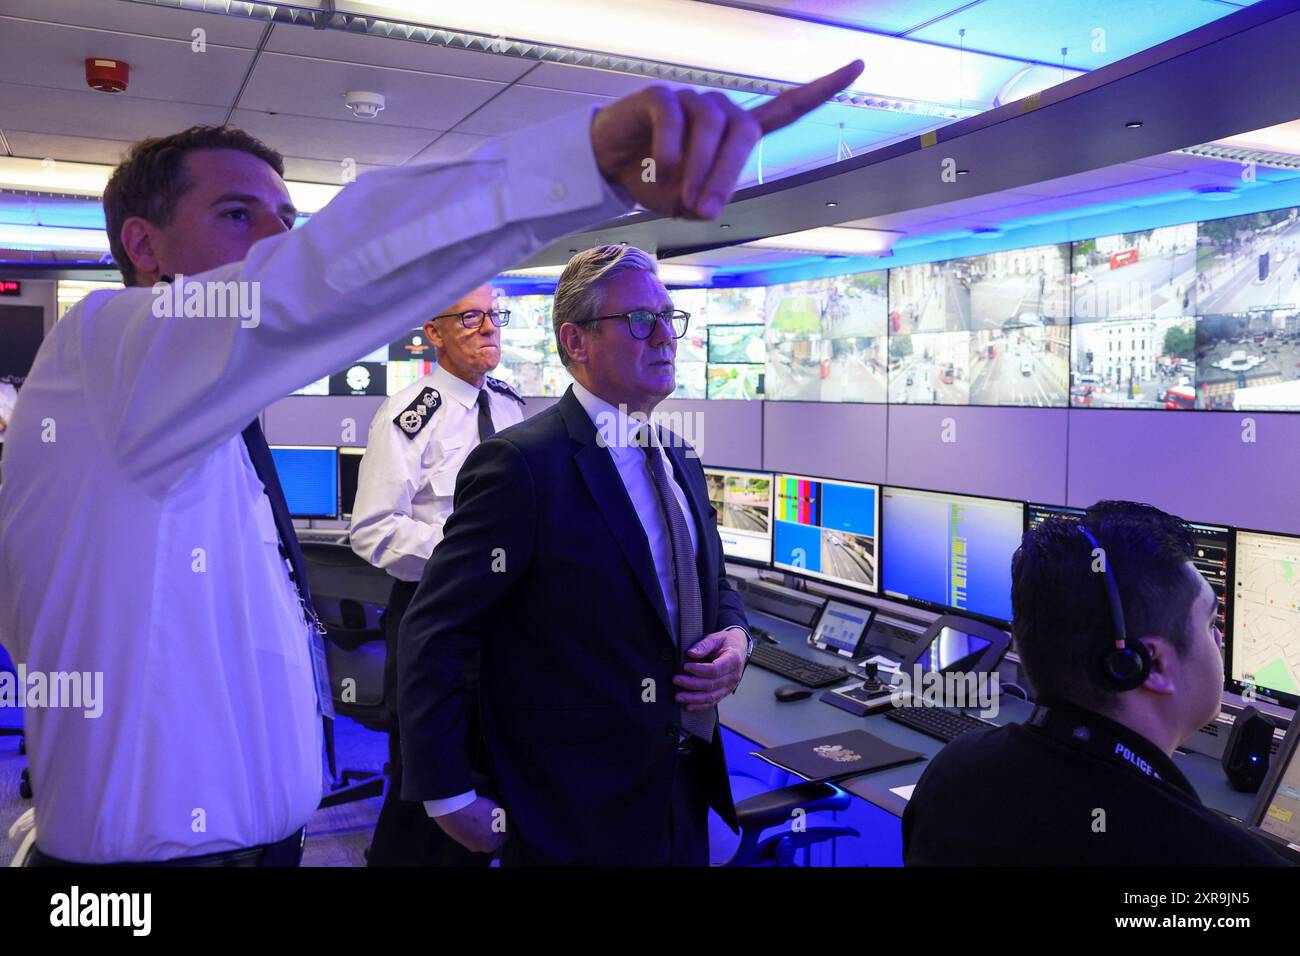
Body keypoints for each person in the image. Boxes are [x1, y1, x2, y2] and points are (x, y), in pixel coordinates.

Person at [0, 59, 863, 865]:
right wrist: (578, 160)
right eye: (238, 215)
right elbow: (306, 283)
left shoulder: (195, 431)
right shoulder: (101, 351)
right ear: (144, 247)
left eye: (285, 220)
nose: (273, 239)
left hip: (265, 848)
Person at [399, 244, 752, 866]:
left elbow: (714, 581)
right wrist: (448, 797)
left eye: (671, 318)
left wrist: (736, 636)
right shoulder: (521, 465)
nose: (666, 337)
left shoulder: (680, 458)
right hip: (572, 808)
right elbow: (437, 632)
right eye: (641, 321)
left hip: (682, 786)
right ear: (577, 341)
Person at [903, 500, 1286, 866]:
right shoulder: (1220, 857)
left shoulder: (952, 772)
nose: (1218, 641)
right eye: (1210, 623)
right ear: (1149, 664)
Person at [349, 283, 523, 866]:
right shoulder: (410, 412)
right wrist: (467, 556)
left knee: (497, 770)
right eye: (469, 317)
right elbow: (373, 528)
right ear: (434, 332)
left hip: (507, 621)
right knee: (429, 789)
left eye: (493, 315)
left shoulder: (509, 403)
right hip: (436, 618)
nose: (487, 327)